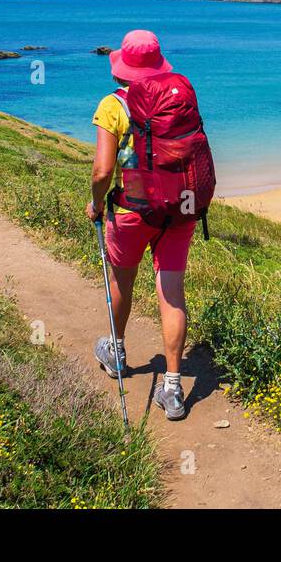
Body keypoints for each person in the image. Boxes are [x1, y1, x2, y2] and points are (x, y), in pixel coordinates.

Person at [84, 30, 197, 421]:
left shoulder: (113, 106)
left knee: (122, 281)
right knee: (172, 293)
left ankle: (115, 350)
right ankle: (173, 386)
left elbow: (102, 170)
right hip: (179, 208)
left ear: (122, 68)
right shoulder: (177, 98)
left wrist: (97, 204)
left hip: (133, 210)